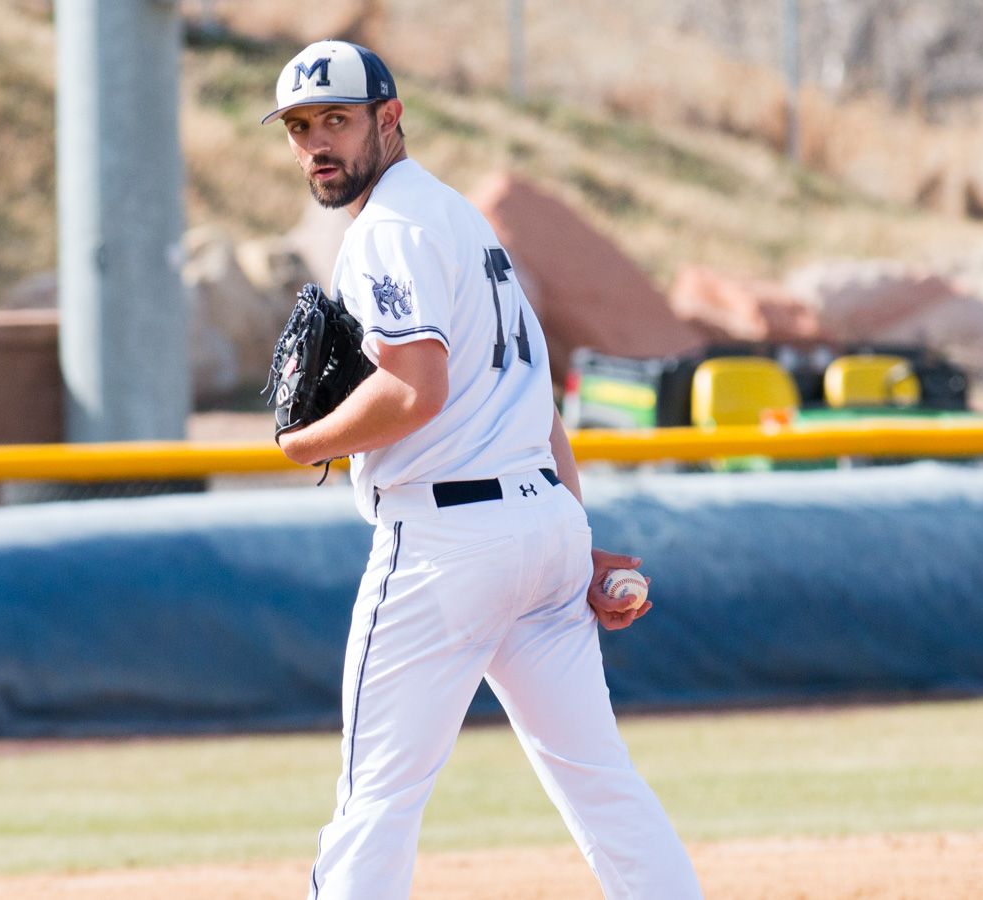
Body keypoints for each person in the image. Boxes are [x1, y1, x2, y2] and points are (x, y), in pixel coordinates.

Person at [264, 40, 704, 900]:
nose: (318, 142)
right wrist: (576, 543)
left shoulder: (387, 229)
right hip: (538, 529)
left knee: (377, 801)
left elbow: (414, 389)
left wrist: (303, 443)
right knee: (598, 780)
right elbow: (537, 406)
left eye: (338, 121)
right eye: (300, 126)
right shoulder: (465, 223)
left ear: (390, 121)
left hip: (442, 545)